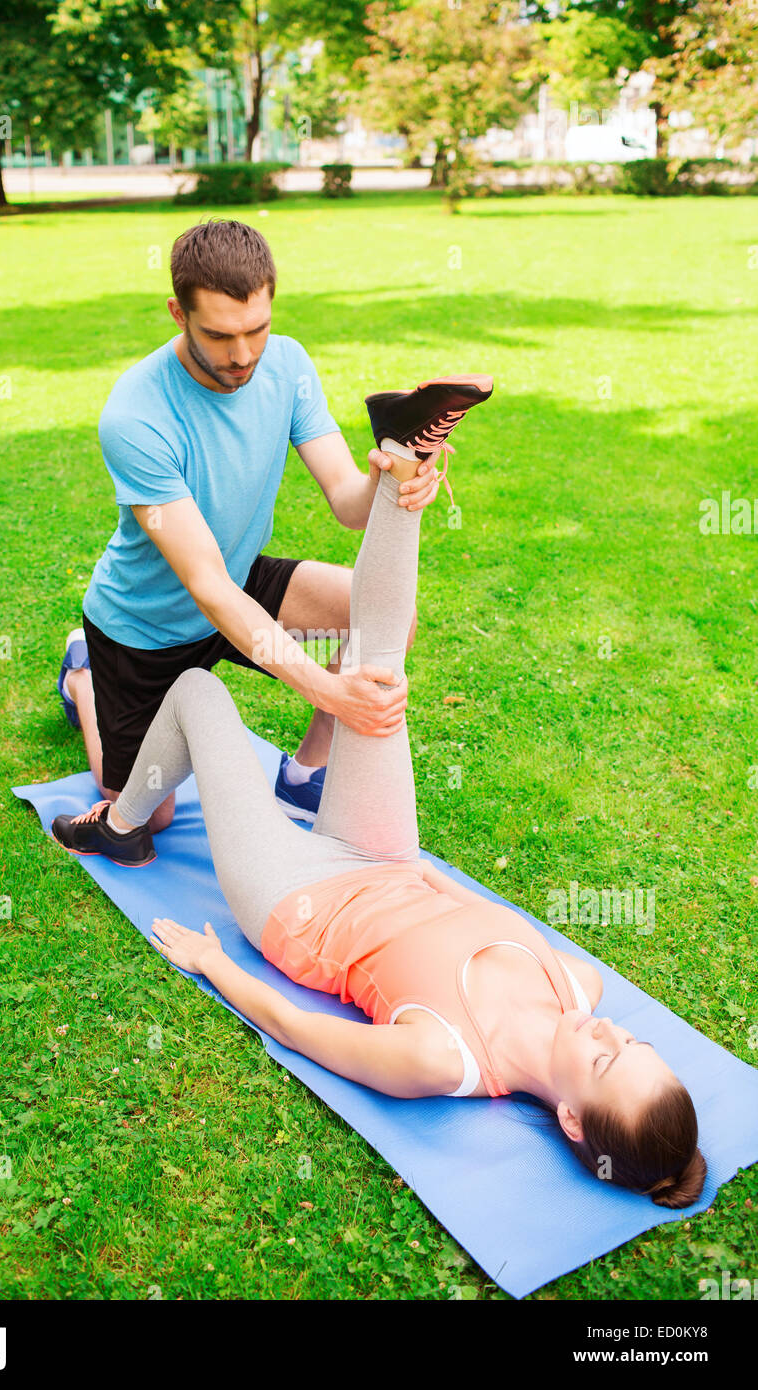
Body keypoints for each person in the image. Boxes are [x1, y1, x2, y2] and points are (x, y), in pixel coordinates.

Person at [52, 380, 706, 1208]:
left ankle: (118, 822)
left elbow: (299, 1030)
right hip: (383, 855)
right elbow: (447, 896)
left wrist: (216, 962)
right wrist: (406, 865)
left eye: (608, 1059)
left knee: (196, 693)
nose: (609, 1031)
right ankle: (405, 452)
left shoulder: (443, 1062)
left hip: (296, 903)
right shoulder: (582, 989)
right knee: (377, 674)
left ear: (572, 1121)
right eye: (633, 1042)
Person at [57, 217, 463, 834]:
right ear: (177, 312)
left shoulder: (288, 365)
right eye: (220, 336)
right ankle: (84, 677)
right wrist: (330, 691)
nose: (243, 355)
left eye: (257, 330)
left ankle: (303, 775)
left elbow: (348, 503)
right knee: (146, 814)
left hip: (239, 581)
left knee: (382, 618)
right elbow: (207, 586)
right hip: (145, 627)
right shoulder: (136, 415)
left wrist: (396, 471)